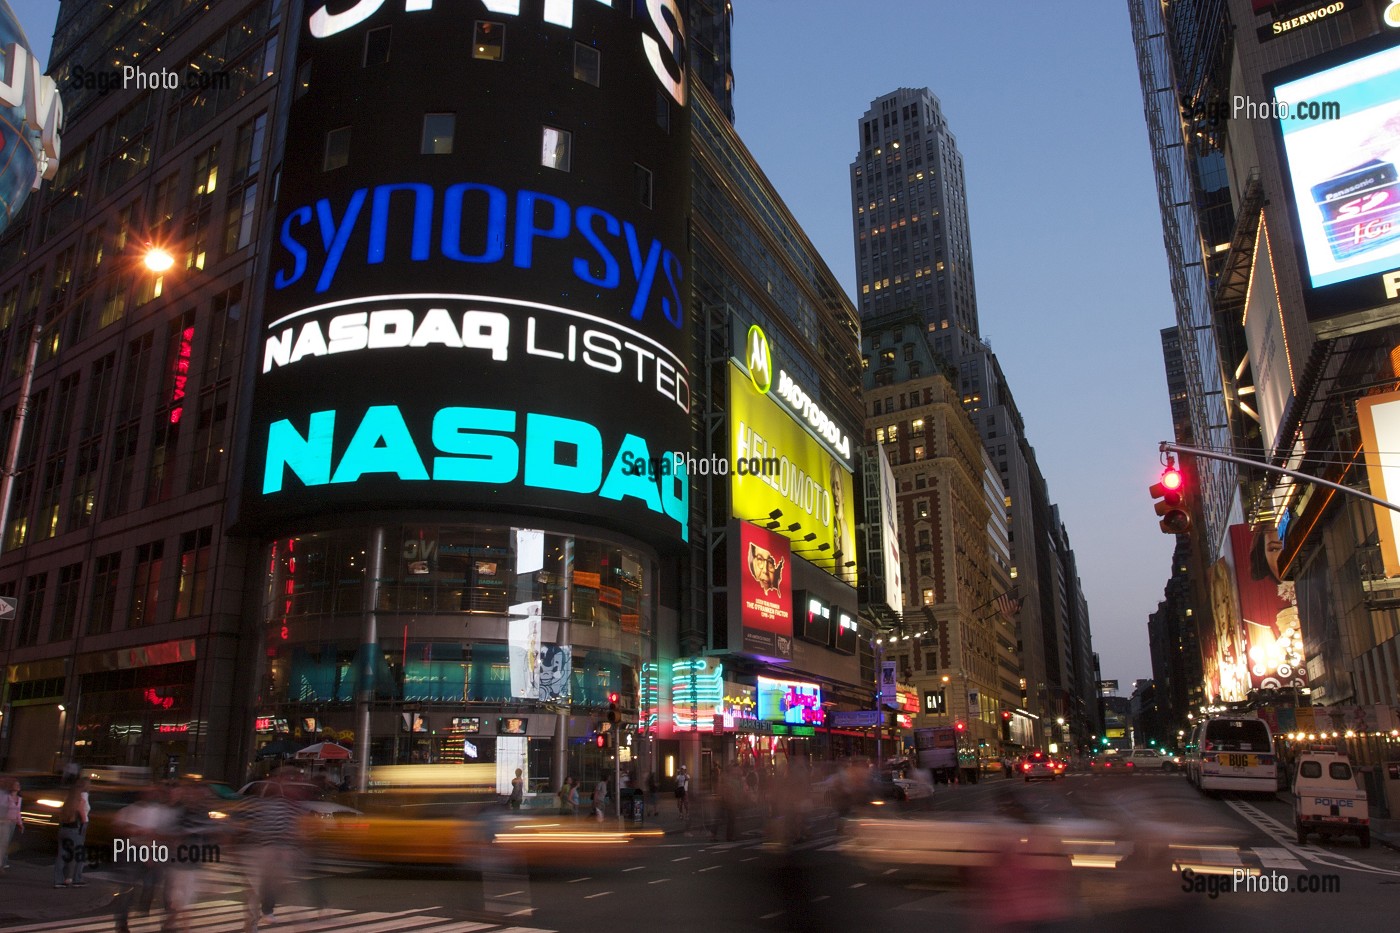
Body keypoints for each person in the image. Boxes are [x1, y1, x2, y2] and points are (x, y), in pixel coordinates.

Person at [53, 777, 91, 887]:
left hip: (63, 829)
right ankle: (76, 879)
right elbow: (83, 818)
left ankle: (59, 880)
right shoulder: (80, 801)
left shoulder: (67, 803)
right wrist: (84, 822)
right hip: (74, 830)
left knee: (62, 855)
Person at [1, 779, 23, 870]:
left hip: (13, 823)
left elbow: (18, 812)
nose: (17, 786)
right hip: (5, 822)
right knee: (4, 842)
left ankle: (3, 861)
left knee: (7, 842)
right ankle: (3, 862)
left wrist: (20, 823)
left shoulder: (19, 799)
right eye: (15, 785)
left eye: (18, 785)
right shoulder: (7, 797)